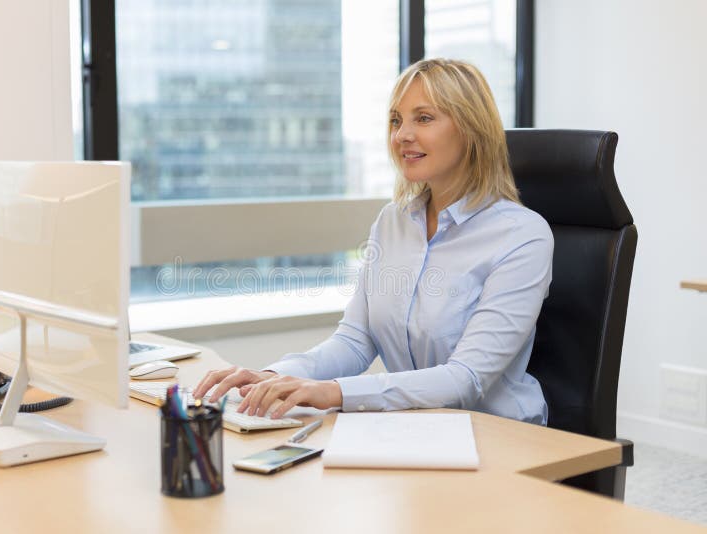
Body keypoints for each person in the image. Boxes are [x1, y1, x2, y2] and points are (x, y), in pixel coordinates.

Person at [194, 58, 553, 425]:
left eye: (423, 118)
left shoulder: (522, 236)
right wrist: (274, 377)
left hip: (501, 439)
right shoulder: (392, 222)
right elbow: (354, 341)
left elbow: (466, 378)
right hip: (413, 431)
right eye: (396, 120)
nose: (402, 135)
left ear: (471, 129)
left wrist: (334, 392)